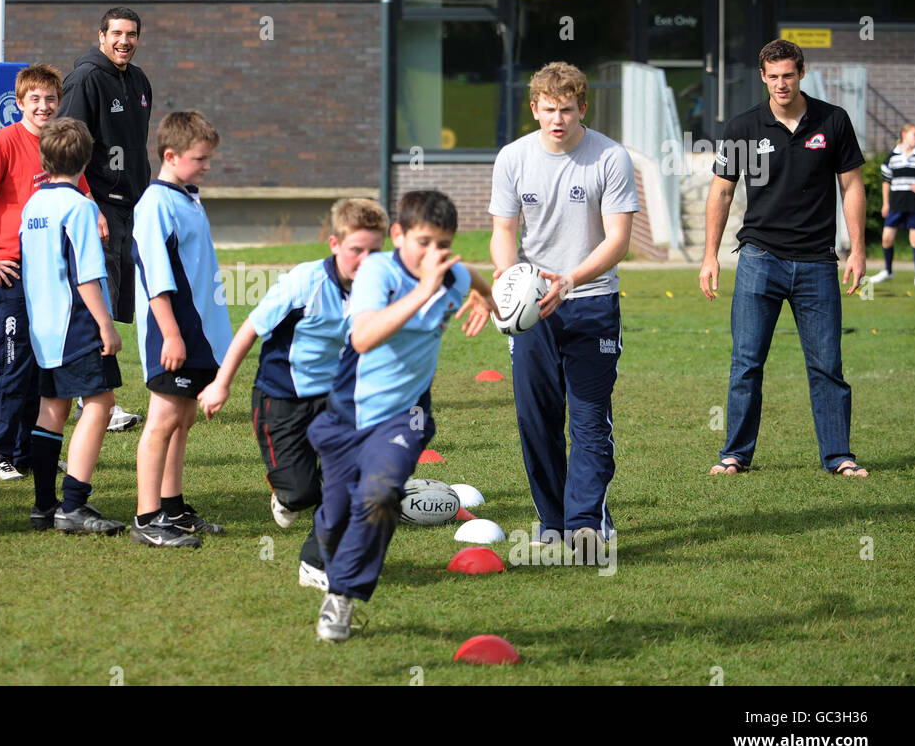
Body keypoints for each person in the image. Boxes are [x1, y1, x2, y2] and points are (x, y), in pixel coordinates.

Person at [307, 190, 494, 641]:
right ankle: (335, 565)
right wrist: (425, 291)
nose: (435, 254)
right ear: (398, 235)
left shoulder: (452, 276)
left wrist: (487, 300)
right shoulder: (378, 270)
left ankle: (343, 598)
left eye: (443, 245)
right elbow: (364, 338)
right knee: (333, 518)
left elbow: (477, 279)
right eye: (424, 242)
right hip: (349, 412)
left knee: (380, 494)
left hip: (404, 417)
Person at [197, 198, 388, 590]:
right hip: (280, 398)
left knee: (350, 483)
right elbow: (251, 328)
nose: (365, 260)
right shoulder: (305, 281)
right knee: (300, 494)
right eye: (356, 250)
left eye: (374, 251)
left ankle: (316, 562)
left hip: (336, 400)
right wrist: (221, 383)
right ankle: (286, 495)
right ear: (334, 244)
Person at [489, 61, 638, 560]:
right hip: (535, 311)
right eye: (549, 109)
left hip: (592, 302)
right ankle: (553, 524)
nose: (558, 119)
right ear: (534, 109)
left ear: (582, 109)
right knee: (537, 420)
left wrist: (572, 278)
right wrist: (513, 284)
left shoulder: (610, 158)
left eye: (567, 110)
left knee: (590, 420)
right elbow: (503, 232)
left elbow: (618, 239)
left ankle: (586, 525)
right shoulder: (512, 158)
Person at [699, 38, 869, 478]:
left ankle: (839, 457)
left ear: (801, 73)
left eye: (788, 75)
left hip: (817, 262)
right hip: (759, 258)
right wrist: (709, 257)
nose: (780, 84)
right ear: (762, 77)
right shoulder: (743, 126)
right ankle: (735, 454)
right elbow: (721, 190)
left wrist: (857, 249)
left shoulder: (833, 121)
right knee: (747, 363)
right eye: (773, 77)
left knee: (827, 365)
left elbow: (851, 186)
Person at [129, 111, 232, 548]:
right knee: (163, 419)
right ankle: (146, 517)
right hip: (172, 332)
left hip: (199, 334)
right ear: (170, 156)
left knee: (183, 419)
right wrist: (170, 334)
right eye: (199, 158)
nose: (207, 165)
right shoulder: (155, 204)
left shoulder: (189, 195)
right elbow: (156, 276)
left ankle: (172, 506)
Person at [20, 118, 127, 535]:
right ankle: (73, 506)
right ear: (87, 160)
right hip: (76, 321)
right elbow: (85, 275)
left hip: (43, 324)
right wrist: (107, 325)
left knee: (52, 409)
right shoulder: (80, 207)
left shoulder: (33, 205)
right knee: (100, 404)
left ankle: (43, 506)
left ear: (44, 158)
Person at [0, 64, 68, 482]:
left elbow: (77, 196)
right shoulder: (1, 141)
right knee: (9, 362)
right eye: (35, 99)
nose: (43, 106)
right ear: (19, 103)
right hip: (8, 268)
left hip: (49, 272)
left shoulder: (60, 147)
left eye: (50, 99)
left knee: (40, 363)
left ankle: (25, 452)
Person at [60, 5, 152, 431]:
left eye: (131, 34)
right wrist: (88, 204)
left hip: (130, 208)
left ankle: (94, 395)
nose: (124, 41)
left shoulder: (138, 82)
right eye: (116, 33)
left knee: (113, 303)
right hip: (97, 208)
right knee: (94, 301)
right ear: (100, 37)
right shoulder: (85, 79)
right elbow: (68, 149)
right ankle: (95, 400)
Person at [869, 123, 915, 285]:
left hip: (914, 205)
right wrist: (885, 203)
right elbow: (886, 181)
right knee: (887, 238)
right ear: (904, 135)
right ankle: (888, 271)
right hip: (896, 204)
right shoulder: (892, 157)